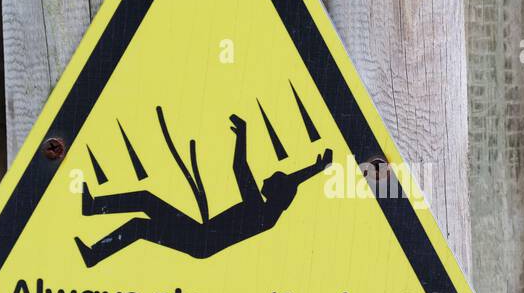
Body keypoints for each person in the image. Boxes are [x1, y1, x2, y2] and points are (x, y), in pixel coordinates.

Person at [76, 113, 332, 265]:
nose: (265, 177)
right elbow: (289, 184)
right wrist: (315, 169)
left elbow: (239, 166)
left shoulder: (258, 209)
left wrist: (243, 134)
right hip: (198, 234)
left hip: (198, 241)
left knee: (138, 226)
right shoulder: (272, 210)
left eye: (270, 179)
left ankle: (94, 255)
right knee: (145, 200)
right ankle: (92, 207)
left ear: (273, 191)